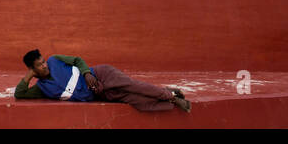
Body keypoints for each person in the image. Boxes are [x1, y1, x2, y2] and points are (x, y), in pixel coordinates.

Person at [15, 49, 191, 112]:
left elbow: (77, 59)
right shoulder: (42, 88)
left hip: (101, 75)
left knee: (132, 85)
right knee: (138, 102)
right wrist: (28, 77)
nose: (45, 65)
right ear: (33, 69)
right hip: (102, 94)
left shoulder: (55, 60)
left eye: (43, 61)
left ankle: (172, 98)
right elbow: (20, 94)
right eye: (39, 65)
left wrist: (87, 74)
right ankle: (170, 94)